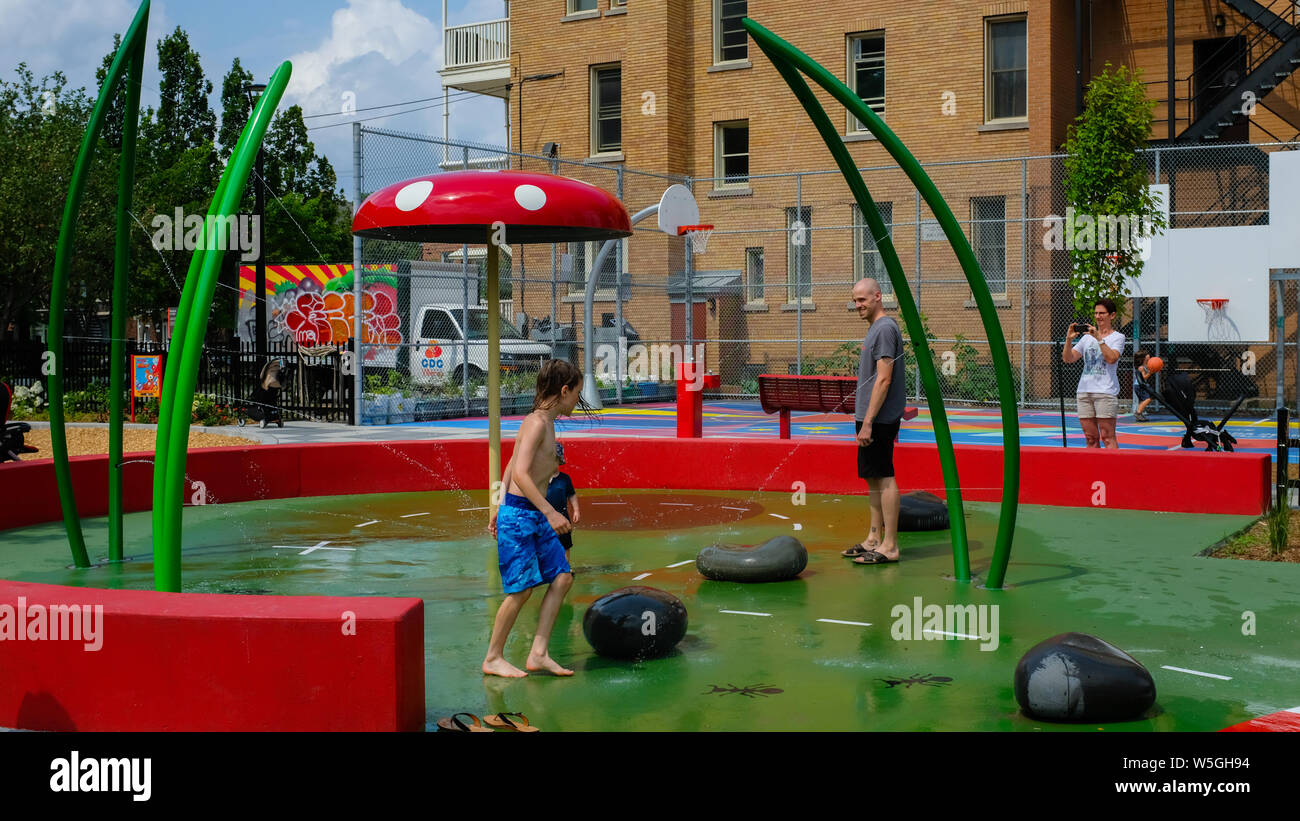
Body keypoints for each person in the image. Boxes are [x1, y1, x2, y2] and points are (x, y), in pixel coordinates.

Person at [482, 360, 585, 678]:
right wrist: (550, 511)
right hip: (522, 516)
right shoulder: (537, 422)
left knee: (563, 577)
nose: (576, 403)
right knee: (521, 590)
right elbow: (523, 473)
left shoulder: (545, 422)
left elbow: (513, 462)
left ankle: (538, 653)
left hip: (526, 513)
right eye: (576, 395)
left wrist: (497, 503)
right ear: (564, 390)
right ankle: (493, 657)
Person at [840, 278, 905, 565]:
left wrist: (868, 422)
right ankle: (873, 538)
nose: (858, 305)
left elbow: (884, 378)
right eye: (855, 300)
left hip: (878, 418)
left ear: (878, 297)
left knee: (884, 475)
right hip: (869, 416)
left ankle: (890, 545)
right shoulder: (876, 330)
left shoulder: (885, 329)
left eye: (862, 299)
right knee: (873, 478)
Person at [1062, 298, 1126, 448]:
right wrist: (1068, 340)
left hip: (1105, 392)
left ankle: (1113, 469)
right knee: (1090, 438)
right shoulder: (1085, 338)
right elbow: (1068, 358)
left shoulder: (1118, 337)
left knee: (1107, 436)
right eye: (1096, 313)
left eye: (1102, 313)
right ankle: (1094, 470)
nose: (1098, 316)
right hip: (1084, 391)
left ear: (1112, 315)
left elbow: (1111, 358)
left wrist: (1098, 338)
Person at [545, 442, 579, 552]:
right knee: (544, 542)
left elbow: (572, 495)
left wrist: (576, 510)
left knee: (565, 544)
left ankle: (566, 567)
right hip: (544, 516)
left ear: (559, 461)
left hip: (562, 515)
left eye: (553, 460)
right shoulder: (540, 479)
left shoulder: (564, 479)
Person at [1132, 350, 1154, 422]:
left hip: (1138, 385)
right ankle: (1138, 413)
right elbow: (1144, 377)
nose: (1149, 356)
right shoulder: (1141, 368)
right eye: (1147, 355)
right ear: (1144, 358)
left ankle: (1140, 414)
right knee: (1147, 399)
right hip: (1139, 385)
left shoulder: (1144, 366)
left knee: (1142, 400)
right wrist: (1150, 373)